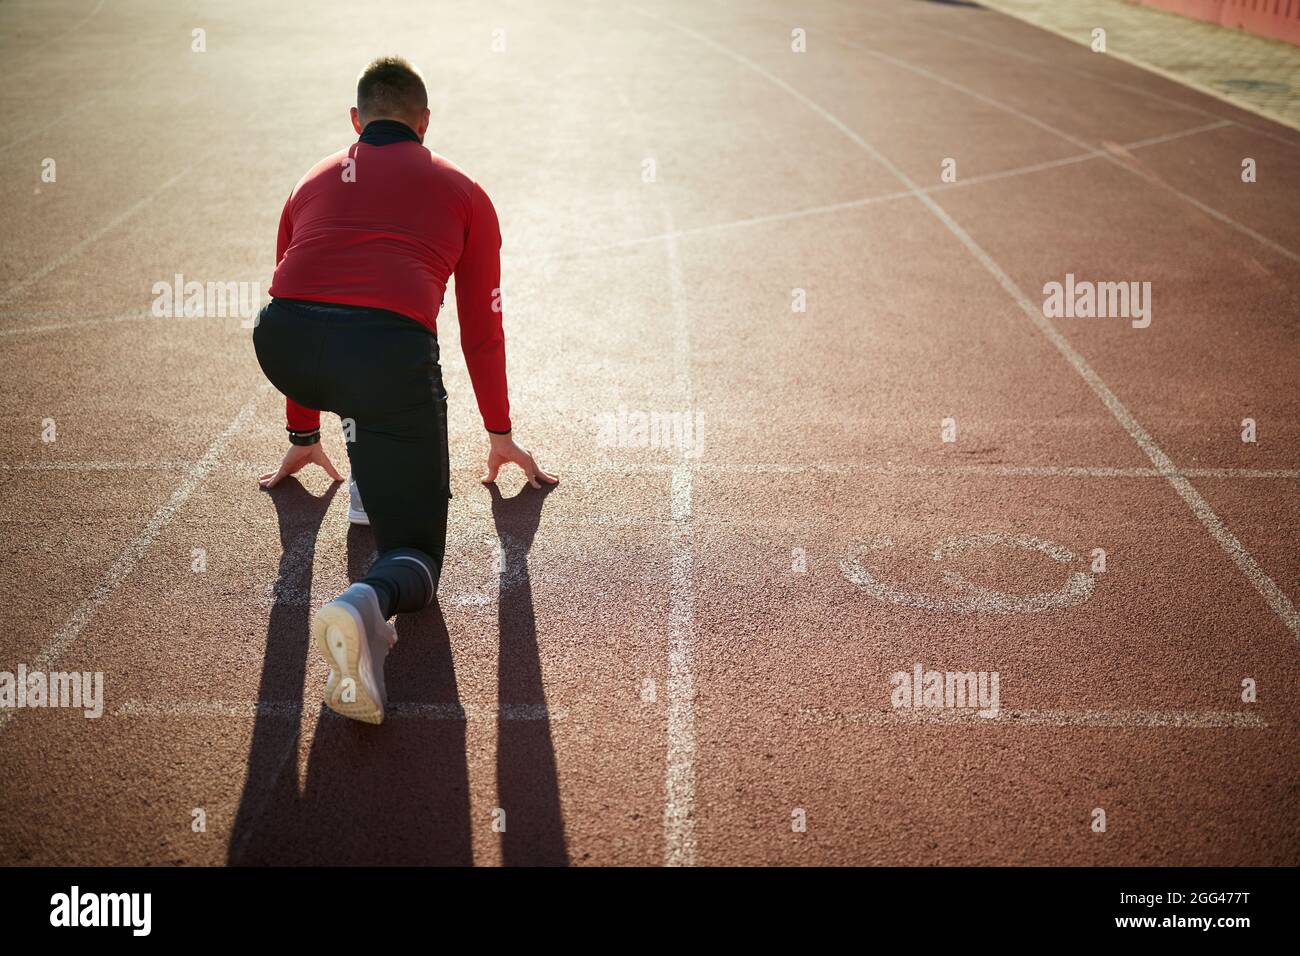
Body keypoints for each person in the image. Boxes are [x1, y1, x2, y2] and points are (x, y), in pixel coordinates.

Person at [253, 55, 557, 725]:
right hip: (386, 356)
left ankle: (369, 475)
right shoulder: (465, 191)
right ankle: (367, 601)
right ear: (424, 122)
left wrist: (303, 435)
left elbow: (303, 298)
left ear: (356, 121)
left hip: (279, 342)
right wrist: (499, 434)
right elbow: (482, 328)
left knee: (355, 379)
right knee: (415, 554)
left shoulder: (309, 180)